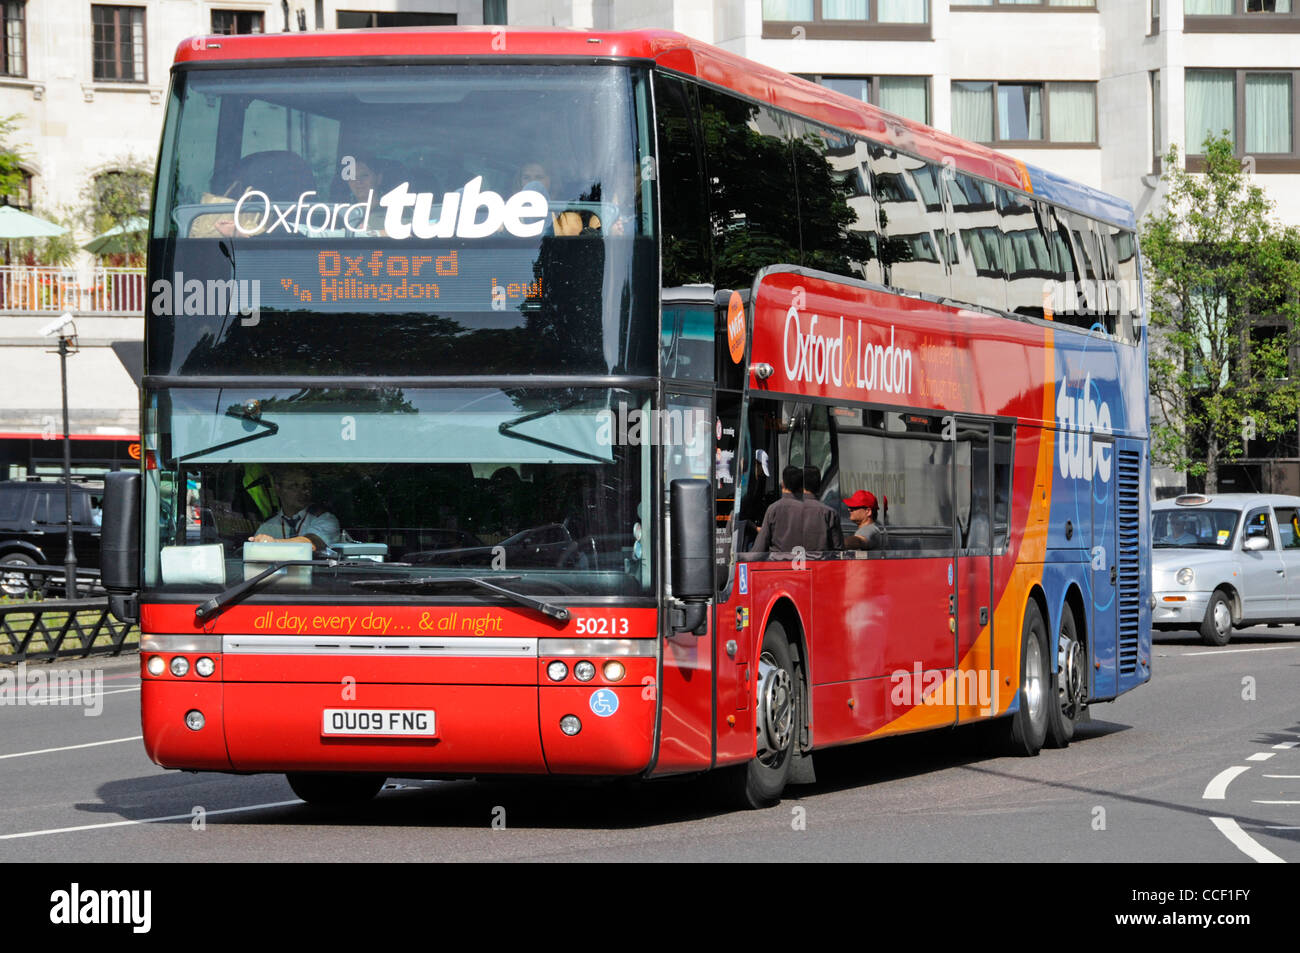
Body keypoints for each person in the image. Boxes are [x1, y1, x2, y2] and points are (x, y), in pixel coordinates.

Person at [248, 467, 340, 554]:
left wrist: (274, 543)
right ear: (278, 489)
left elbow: (311, 543)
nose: (304, 491)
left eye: (307, 485)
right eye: (294, 486)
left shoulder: (325, 518)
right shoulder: (268, 526)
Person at [752, 465, 835, 555]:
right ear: (801, 487)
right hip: (818, 567)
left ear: (783, 484)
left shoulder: (773, 509)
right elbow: (837, 550)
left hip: (779, 566)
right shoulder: (826, 512)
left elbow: (758, 549)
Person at [802, 466, 844, 551]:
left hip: (791, 562)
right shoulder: (829, 513)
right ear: (819, 485)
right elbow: (838, 548)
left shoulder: (782, 510)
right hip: (822, 563)